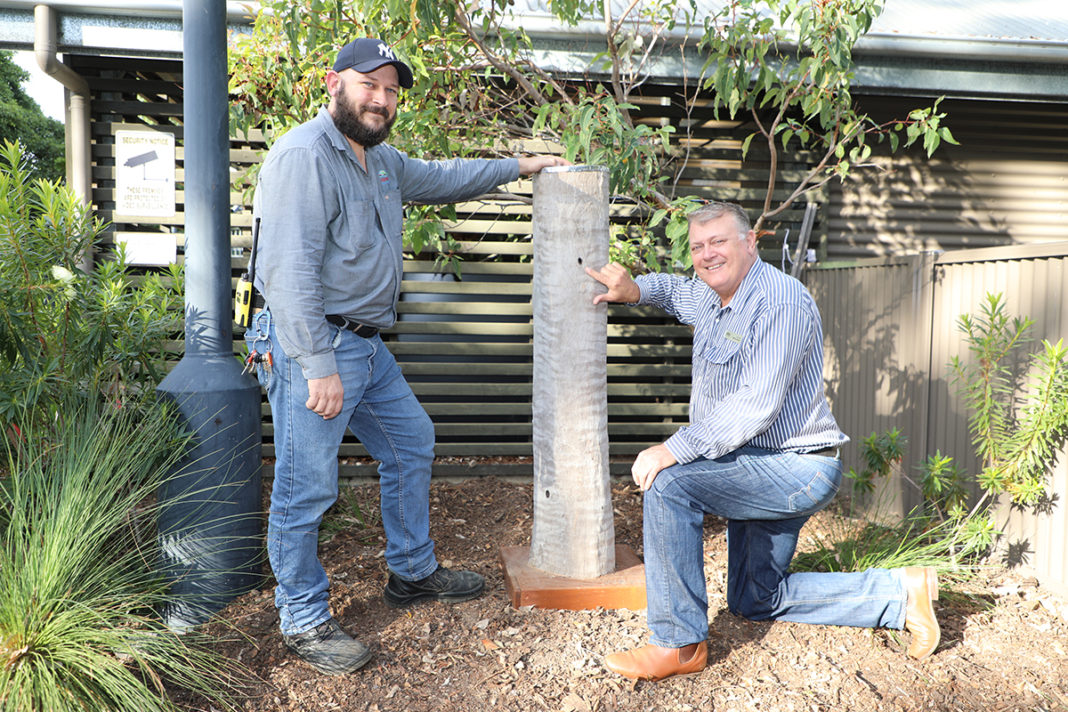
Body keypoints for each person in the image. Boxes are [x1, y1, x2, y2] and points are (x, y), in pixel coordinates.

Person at [245, 37, 568, 675]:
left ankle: (412, 571)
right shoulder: (303, 157)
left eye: (391, 90)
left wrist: (518, 166)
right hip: (316, 344)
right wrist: (318, 366)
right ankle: (303, 618)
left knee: (410, 442)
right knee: (305, 488)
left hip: (366, 344)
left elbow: (444, 178)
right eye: (370, 84)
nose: (381, 99)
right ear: (334, 83)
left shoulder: (381, 161)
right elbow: (287, 273)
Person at [584, 201, 940, 682]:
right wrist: (635, 290)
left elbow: (756, 403)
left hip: (796, 467)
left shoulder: (780, 303)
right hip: (756, 463)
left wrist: (674, 448)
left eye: (718, 241)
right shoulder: (712, 295)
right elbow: (676, 291)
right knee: (756, 599)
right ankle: (900, 594)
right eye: (698, 246)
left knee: (670, 485)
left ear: (750, 242)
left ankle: (678, 644)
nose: (707, 254)